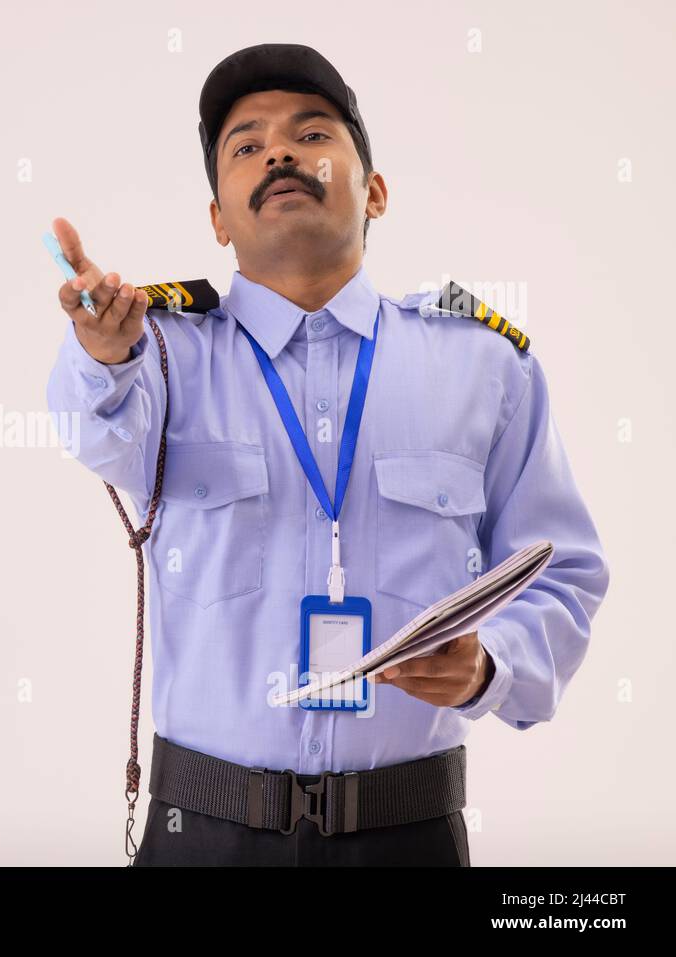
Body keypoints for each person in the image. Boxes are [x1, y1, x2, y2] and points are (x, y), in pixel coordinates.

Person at [44, 43, 610, 866]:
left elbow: (564, 570)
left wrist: (491, 666)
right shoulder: (159, 354)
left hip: (407, 831)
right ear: (217, 218)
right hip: (200, 829)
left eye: (312, 135)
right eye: (246, 145)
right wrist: (100, 354)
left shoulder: (484, 365)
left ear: (374, 192)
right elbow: (99, 433)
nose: (279, 152)